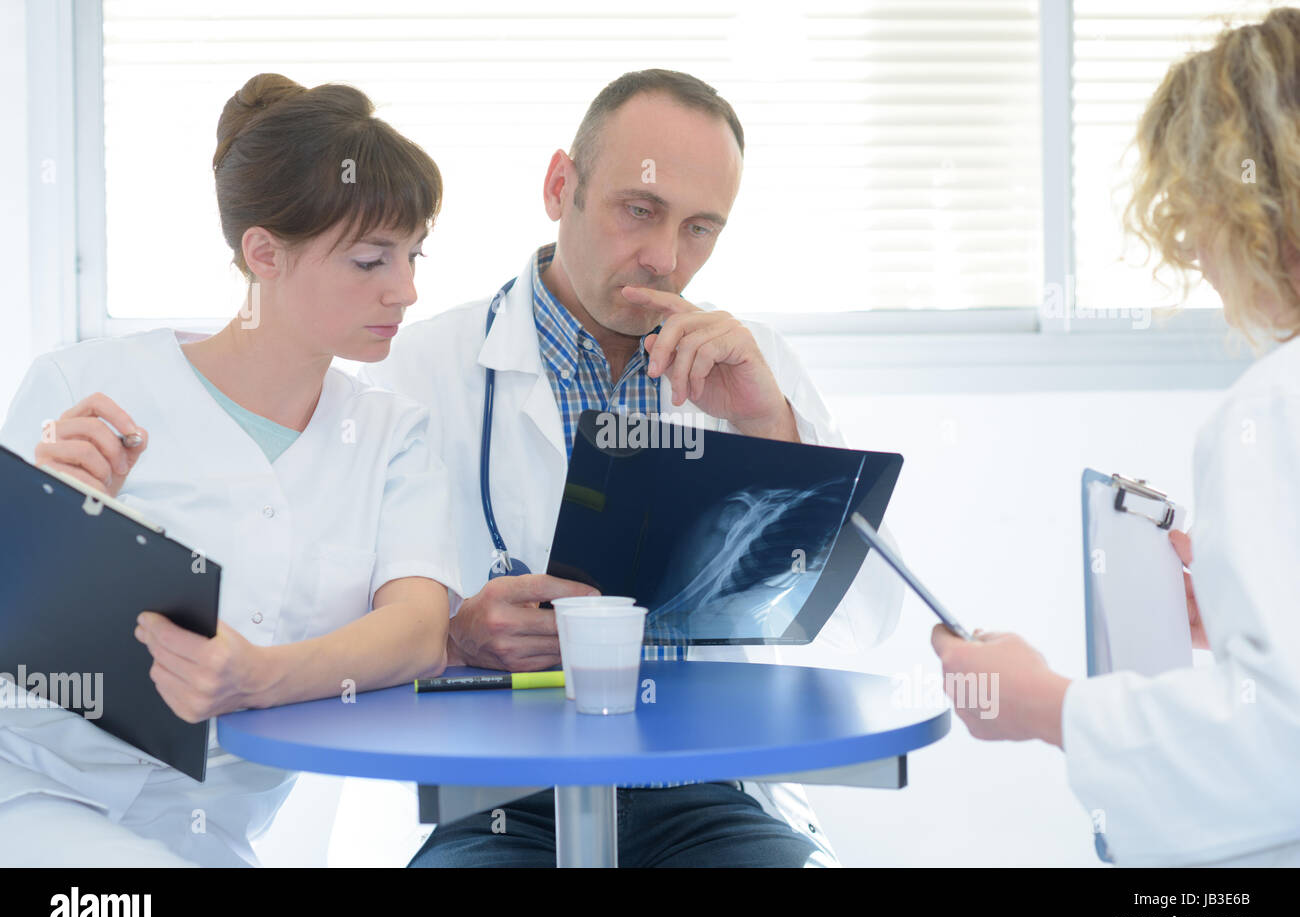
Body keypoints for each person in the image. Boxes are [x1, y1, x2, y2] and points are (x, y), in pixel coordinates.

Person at [360, 68, 903, 867]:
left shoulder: (755, 368)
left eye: (700, 228)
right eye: (639, 210)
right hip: (501, 797)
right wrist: (450, 637)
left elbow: (869, 617)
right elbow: (336, 620)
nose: (663, 257)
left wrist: (764, 421)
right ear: (560, 186)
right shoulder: (420, 367)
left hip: (710, 792)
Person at [0, 73, 460, 866]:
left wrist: (258, 676)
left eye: (412, 254)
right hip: (36, 796)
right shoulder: (84, 390)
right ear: (264, 252)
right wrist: (55, 523)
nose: (407, 289)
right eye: (369, 259)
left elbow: (419, 634)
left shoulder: (392, 436)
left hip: (210, 834)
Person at [930, 8, 1300, 867]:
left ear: (1245, 202)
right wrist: (1250, 597)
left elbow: (1282, 741)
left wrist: (1043, 706)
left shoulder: (1271, 409)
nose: (1196, 252)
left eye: (1196, 210)